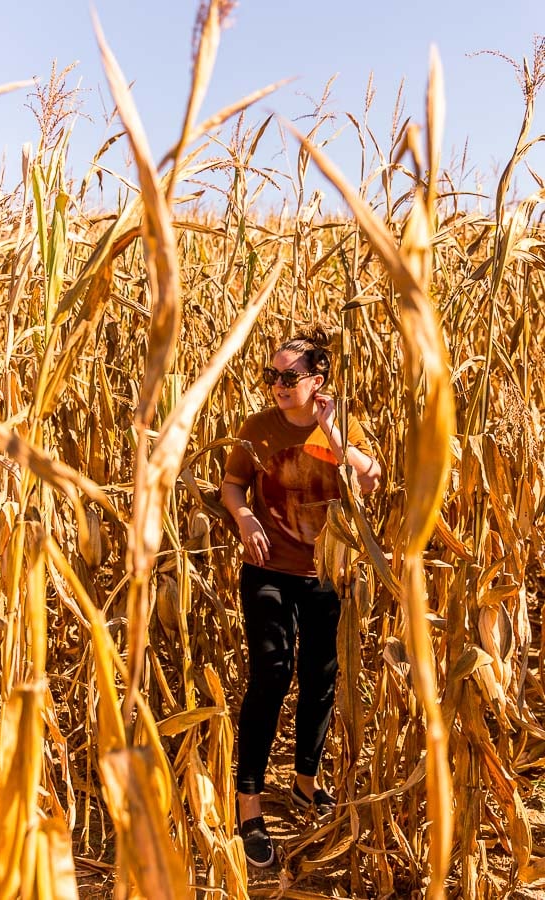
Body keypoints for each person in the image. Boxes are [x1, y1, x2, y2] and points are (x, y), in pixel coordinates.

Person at [221, 326, 381, 868]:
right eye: (271, 376)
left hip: (325, 573)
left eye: (290, 377)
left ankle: (305, 782)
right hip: (267, 568)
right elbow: (232, 483)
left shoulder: (337, 426)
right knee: (271, 672)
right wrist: (242, 515)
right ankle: (249, 803)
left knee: (321, 676)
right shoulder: (257, 428)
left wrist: (331, 429)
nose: (278, 385)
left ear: (317, 380)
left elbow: (370, 479)